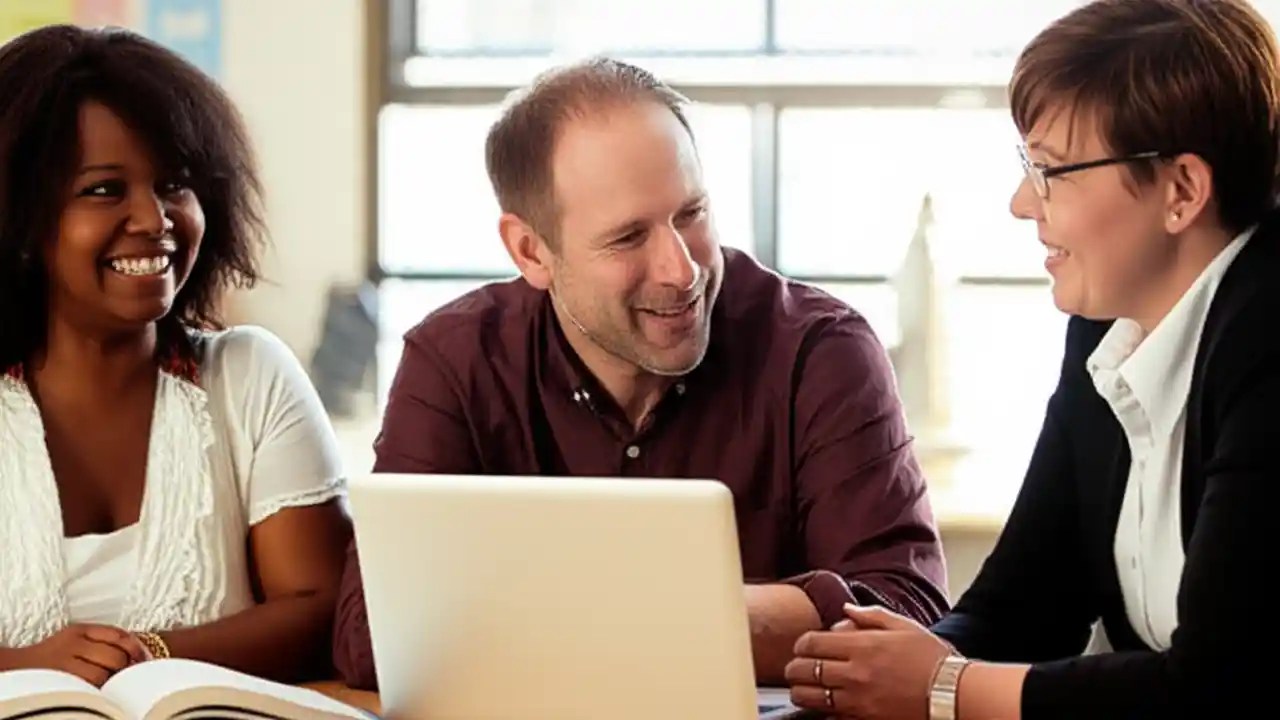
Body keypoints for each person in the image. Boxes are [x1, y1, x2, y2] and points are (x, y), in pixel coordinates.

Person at [332, 58, 949, 689]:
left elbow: (908, 614)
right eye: (628, 238)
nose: (680, 270)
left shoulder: (821, 351)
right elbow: (371, 637)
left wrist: (531, 620)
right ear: (530, 250)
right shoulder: (455, 360)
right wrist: (738, 619)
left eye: (691, 214)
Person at [782, 1, 1280, 718]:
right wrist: (863, 668)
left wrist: (942, 689)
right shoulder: (1111, 324)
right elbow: (1023, 603)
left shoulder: (1276, 338)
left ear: (1182, 191)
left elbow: (1217, 686)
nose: (1022, 203)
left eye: (1050, 171)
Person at [0, 26, 352, 686]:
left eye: (175, 184)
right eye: (105, 189)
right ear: (19, 220)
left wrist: (150, 654)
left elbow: (320, 607)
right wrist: (22, 667)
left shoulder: (250, 377)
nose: (155, 218)